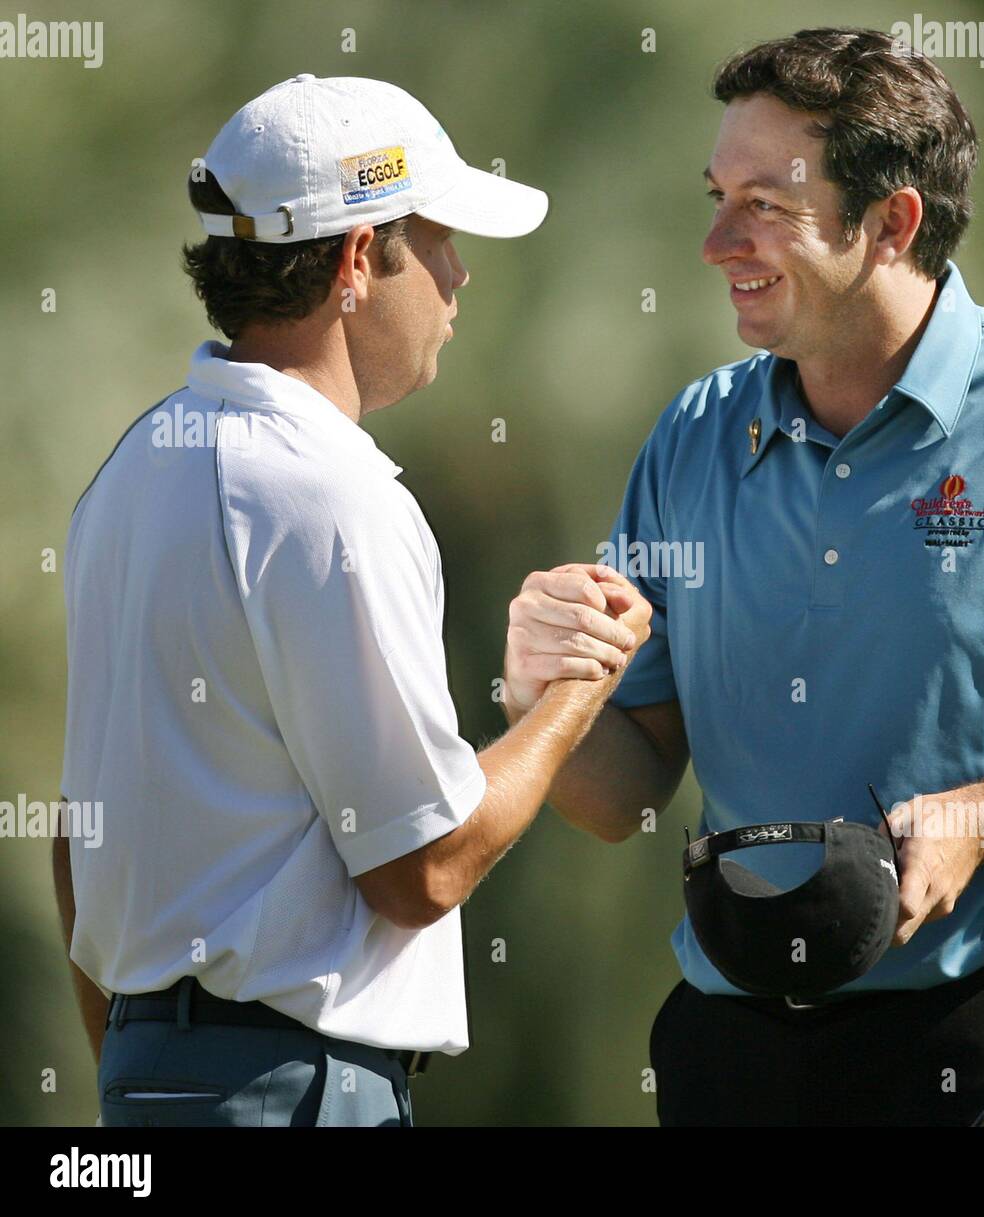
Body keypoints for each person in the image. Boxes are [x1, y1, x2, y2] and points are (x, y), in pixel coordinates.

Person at [501, 29, 984, 1126]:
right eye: (718, 195)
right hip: (730, 1053)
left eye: (765, 203)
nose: (719, 240)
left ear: (892, 222)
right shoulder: (692, 434)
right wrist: (541, 692)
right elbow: (619, 790)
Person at [53, 73, 648, 1128]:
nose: (461, 276)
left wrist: (152, 1067)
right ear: (360, 260)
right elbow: (419, 867)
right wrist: (572, 687)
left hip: (153, 1079)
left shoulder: (133, 467)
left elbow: (77, 845)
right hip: (296, 1091)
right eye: (440, 238)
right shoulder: (332, 493)